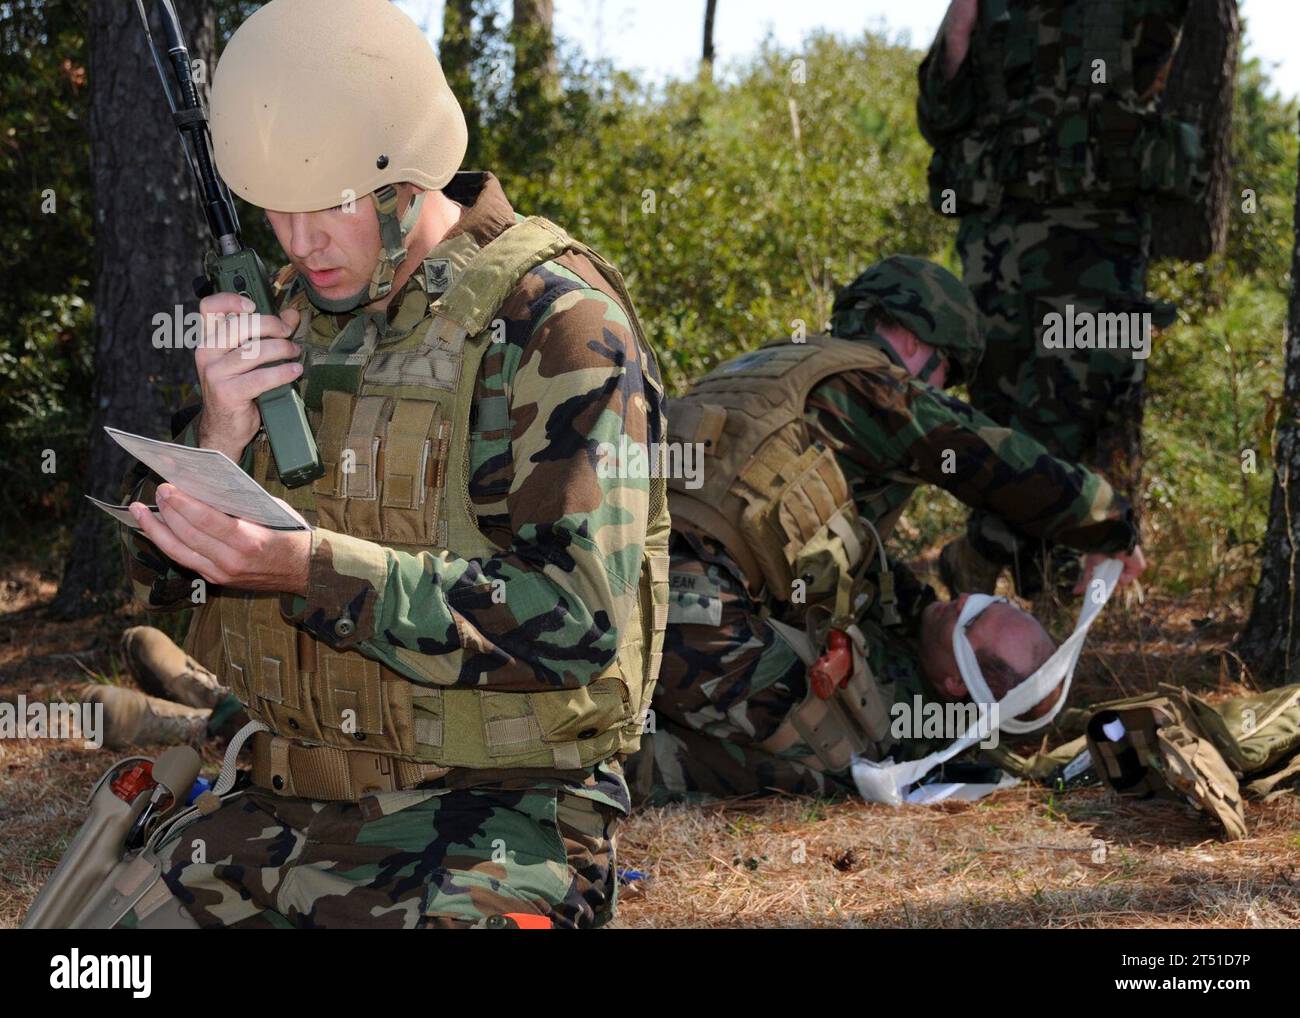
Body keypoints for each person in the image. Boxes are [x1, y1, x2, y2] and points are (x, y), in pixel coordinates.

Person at [112, 0, 667, 929]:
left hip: (494, 822)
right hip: (272, 810)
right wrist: (216, 435)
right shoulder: (287, 315)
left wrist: (305, 569)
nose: (298, 241)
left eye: (328, 203)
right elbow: (152, 586)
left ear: (407, 177)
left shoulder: (552, 327)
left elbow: (575, 621)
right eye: (273, 208)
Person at [626, 256, 1142, 804]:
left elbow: (848, 564)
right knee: (853, 762)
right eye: (947, 373)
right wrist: (1111, 523)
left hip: (624, 597)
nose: (942, 388)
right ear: (918, 342)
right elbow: (991, 459)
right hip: (695, 615)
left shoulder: (765, 369)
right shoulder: (866, 384)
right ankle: (614, 774)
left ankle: (611, 735)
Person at [916, 0, 1201, 596]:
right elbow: (939, 114)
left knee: (1078, 391)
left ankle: (986, 547)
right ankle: (1034, 575)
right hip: (998, 238)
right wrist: (960, 22)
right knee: (1000, 406)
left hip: (1098, 231)